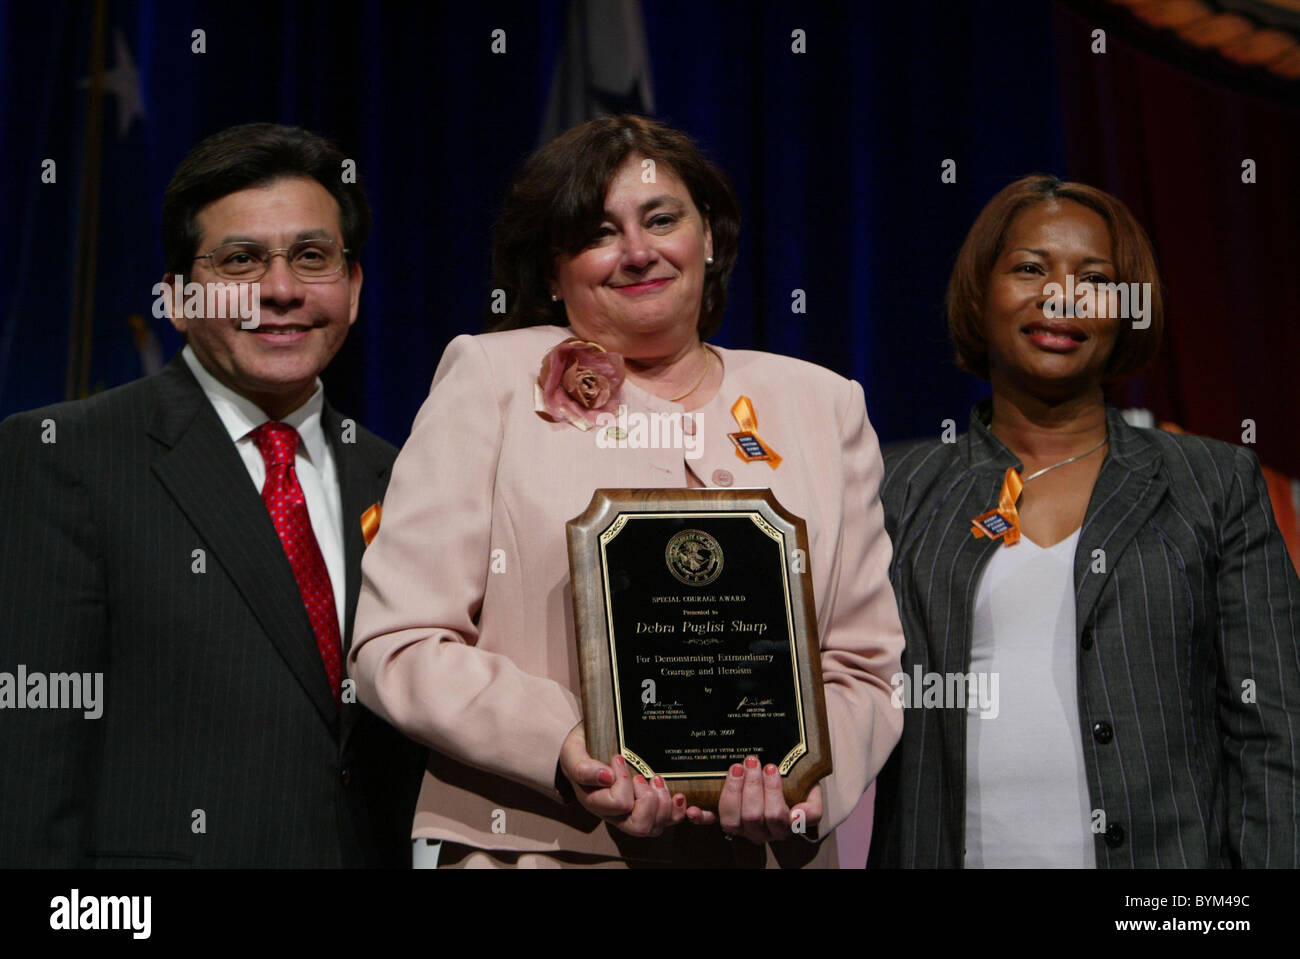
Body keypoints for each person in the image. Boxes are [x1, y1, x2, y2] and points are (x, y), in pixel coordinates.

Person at [348, 115, 904, 868]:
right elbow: (400, 641)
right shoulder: (492, 381)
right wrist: (565, 744)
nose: (638, 252)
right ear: (551, 270)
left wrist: (802, 785)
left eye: (662, 219)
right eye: (598, 232)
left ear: (707, 236)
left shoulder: (820, 403)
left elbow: (863, 667)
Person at [0, 123, 426, 867]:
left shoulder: (403, 477)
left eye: (312, 257)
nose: (283, 290)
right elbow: (34, 752)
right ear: (175, 296)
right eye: (241, 260)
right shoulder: (64, 457)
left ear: (353, 290)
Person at [867, 174, 1300, 868]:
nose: (1061, 294)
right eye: (1031, 268)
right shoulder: (895, 486)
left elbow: (1277, 725)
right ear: (982, 294)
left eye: (1093, 278)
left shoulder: (1214, 483)